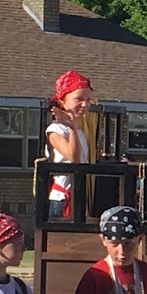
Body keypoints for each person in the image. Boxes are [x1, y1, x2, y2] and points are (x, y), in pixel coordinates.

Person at [46, 71, 94, 220]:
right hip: (61, 200)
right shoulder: (54, 130)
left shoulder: (79, 132)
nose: (84, 104)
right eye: (79, 99)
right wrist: (72, 127)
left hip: (78, 196)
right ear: (62, 102)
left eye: (88, 100)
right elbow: (74, 160)